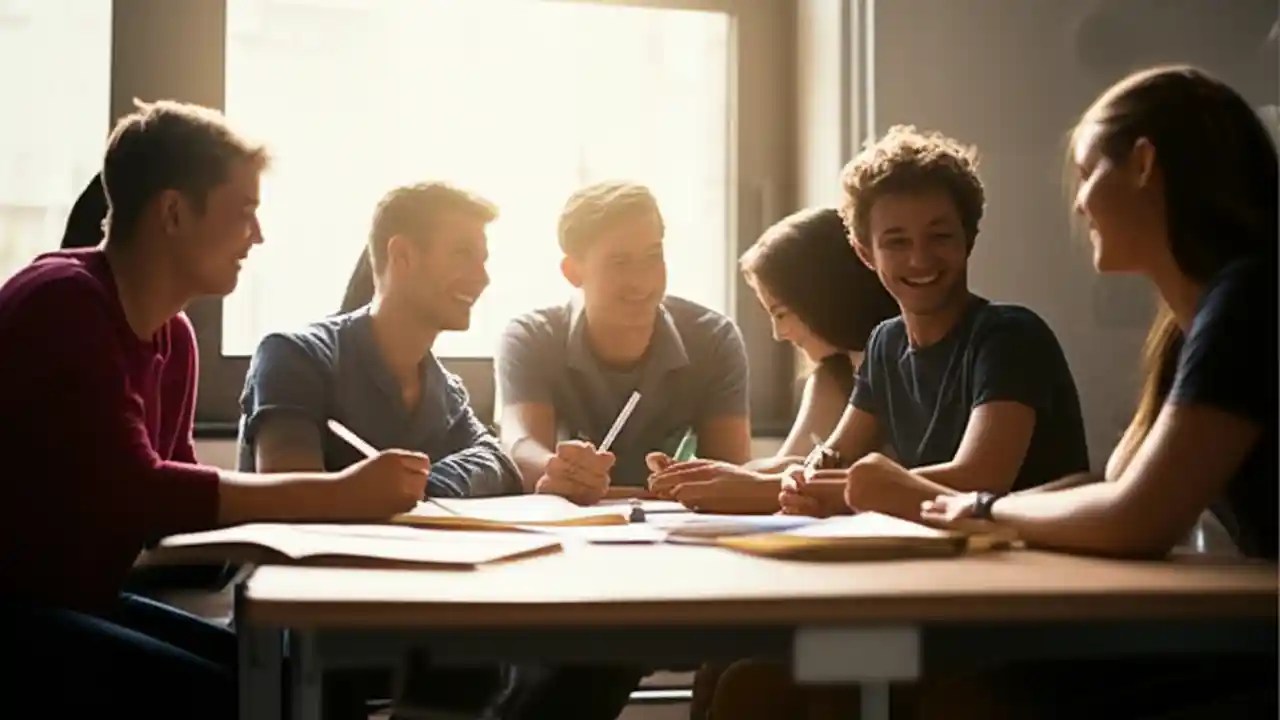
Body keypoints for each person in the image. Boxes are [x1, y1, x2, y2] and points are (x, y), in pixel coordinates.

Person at [0, 100, 430, 719]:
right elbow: (143, 492)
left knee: (314, 689)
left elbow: (175, 506)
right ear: (174, 213)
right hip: (19, 606)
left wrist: (336, 527)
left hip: (77, 598)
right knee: (253, 701)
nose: (258, 235)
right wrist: (338, 493)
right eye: (244, 212)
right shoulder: (63, 304)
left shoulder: (174, 337)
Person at [776, 125, 1091, 522]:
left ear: (968, 238)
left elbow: (981, 478)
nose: (920, 259)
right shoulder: (885, 343)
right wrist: (803, 479)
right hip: (947, 550)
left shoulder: (1010, 337)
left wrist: (848, 489)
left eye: (940, 236)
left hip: (1036, 551)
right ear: (865, 253)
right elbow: (837, 456)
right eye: (897, 242)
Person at [496, 181, 752, 504]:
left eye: (653, 256)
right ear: (573, 271)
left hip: (675, 527)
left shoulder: (714, 339)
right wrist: (556, 470)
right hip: (570, 522)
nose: (641, 282)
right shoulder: (531, 338)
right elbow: (520, 446)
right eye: (619, 262)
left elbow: (731, 476)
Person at [647, 206, 898, 514]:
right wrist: (698, 475)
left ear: (823, 300)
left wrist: (746, 483)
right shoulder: (833, 377)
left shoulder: (893, 363)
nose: (778, 334)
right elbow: (796, 463)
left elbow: (809, 475)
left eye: (781, 314)